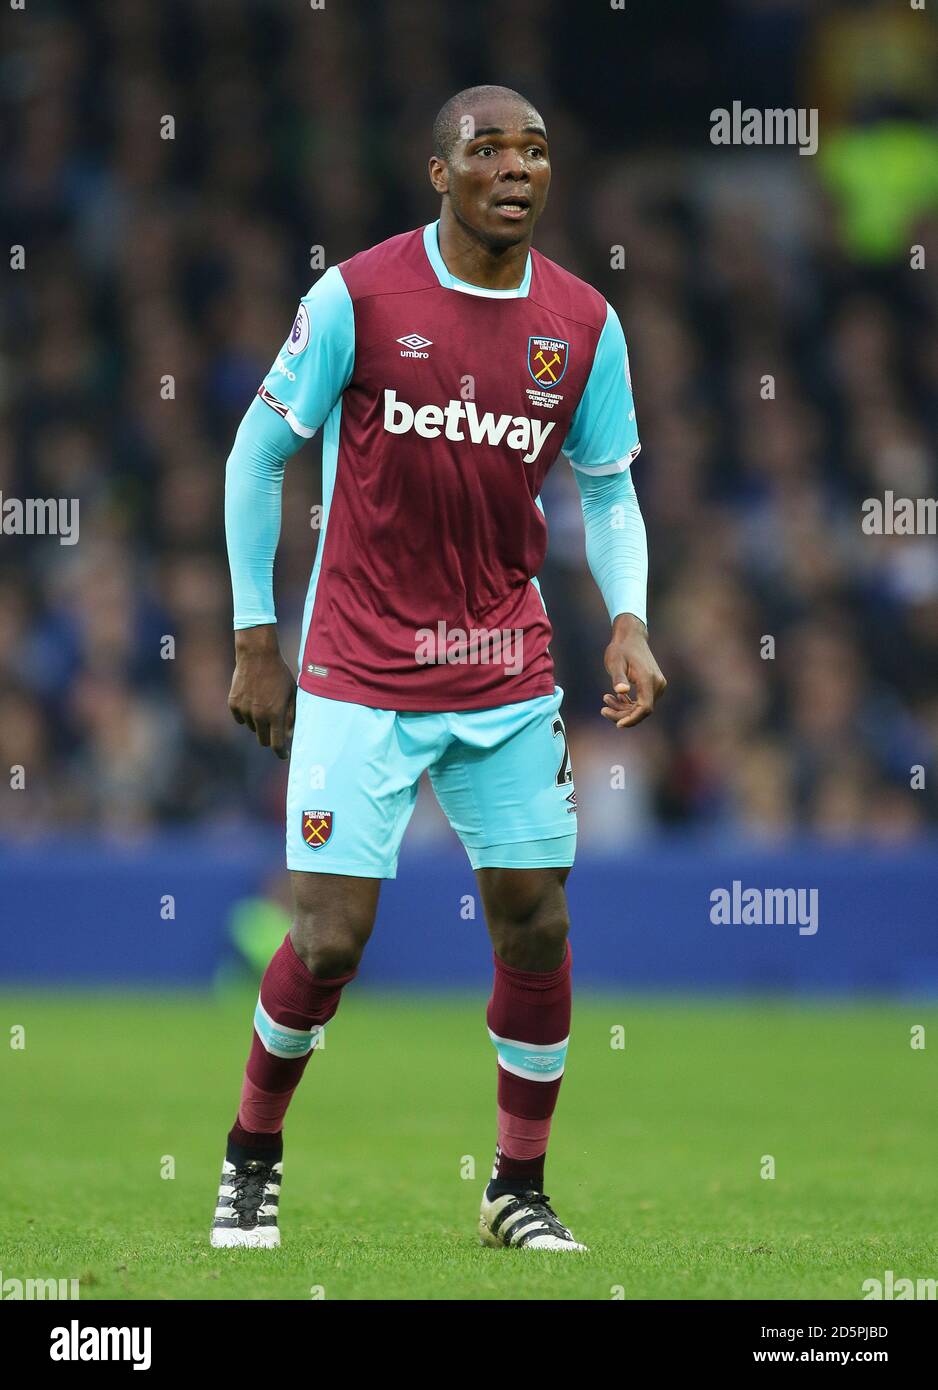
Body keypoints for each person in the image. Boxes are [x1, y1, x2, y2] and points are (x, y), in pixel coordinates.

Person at [214, 84, 666, 1253]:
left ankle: (516, 1186)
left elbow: (608, 487)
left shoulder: (583, 324)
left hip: (503, 670)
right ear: (438, 172)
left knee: (533, 922)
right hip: (359, 664)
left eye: (535, 150)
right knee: (327, 942)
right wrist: (254, 635)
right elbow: (259, 450)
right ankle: (251, 1154)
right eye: (489, 150)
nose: (516, 169)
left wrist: (626, 618)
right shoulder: (358, 295)